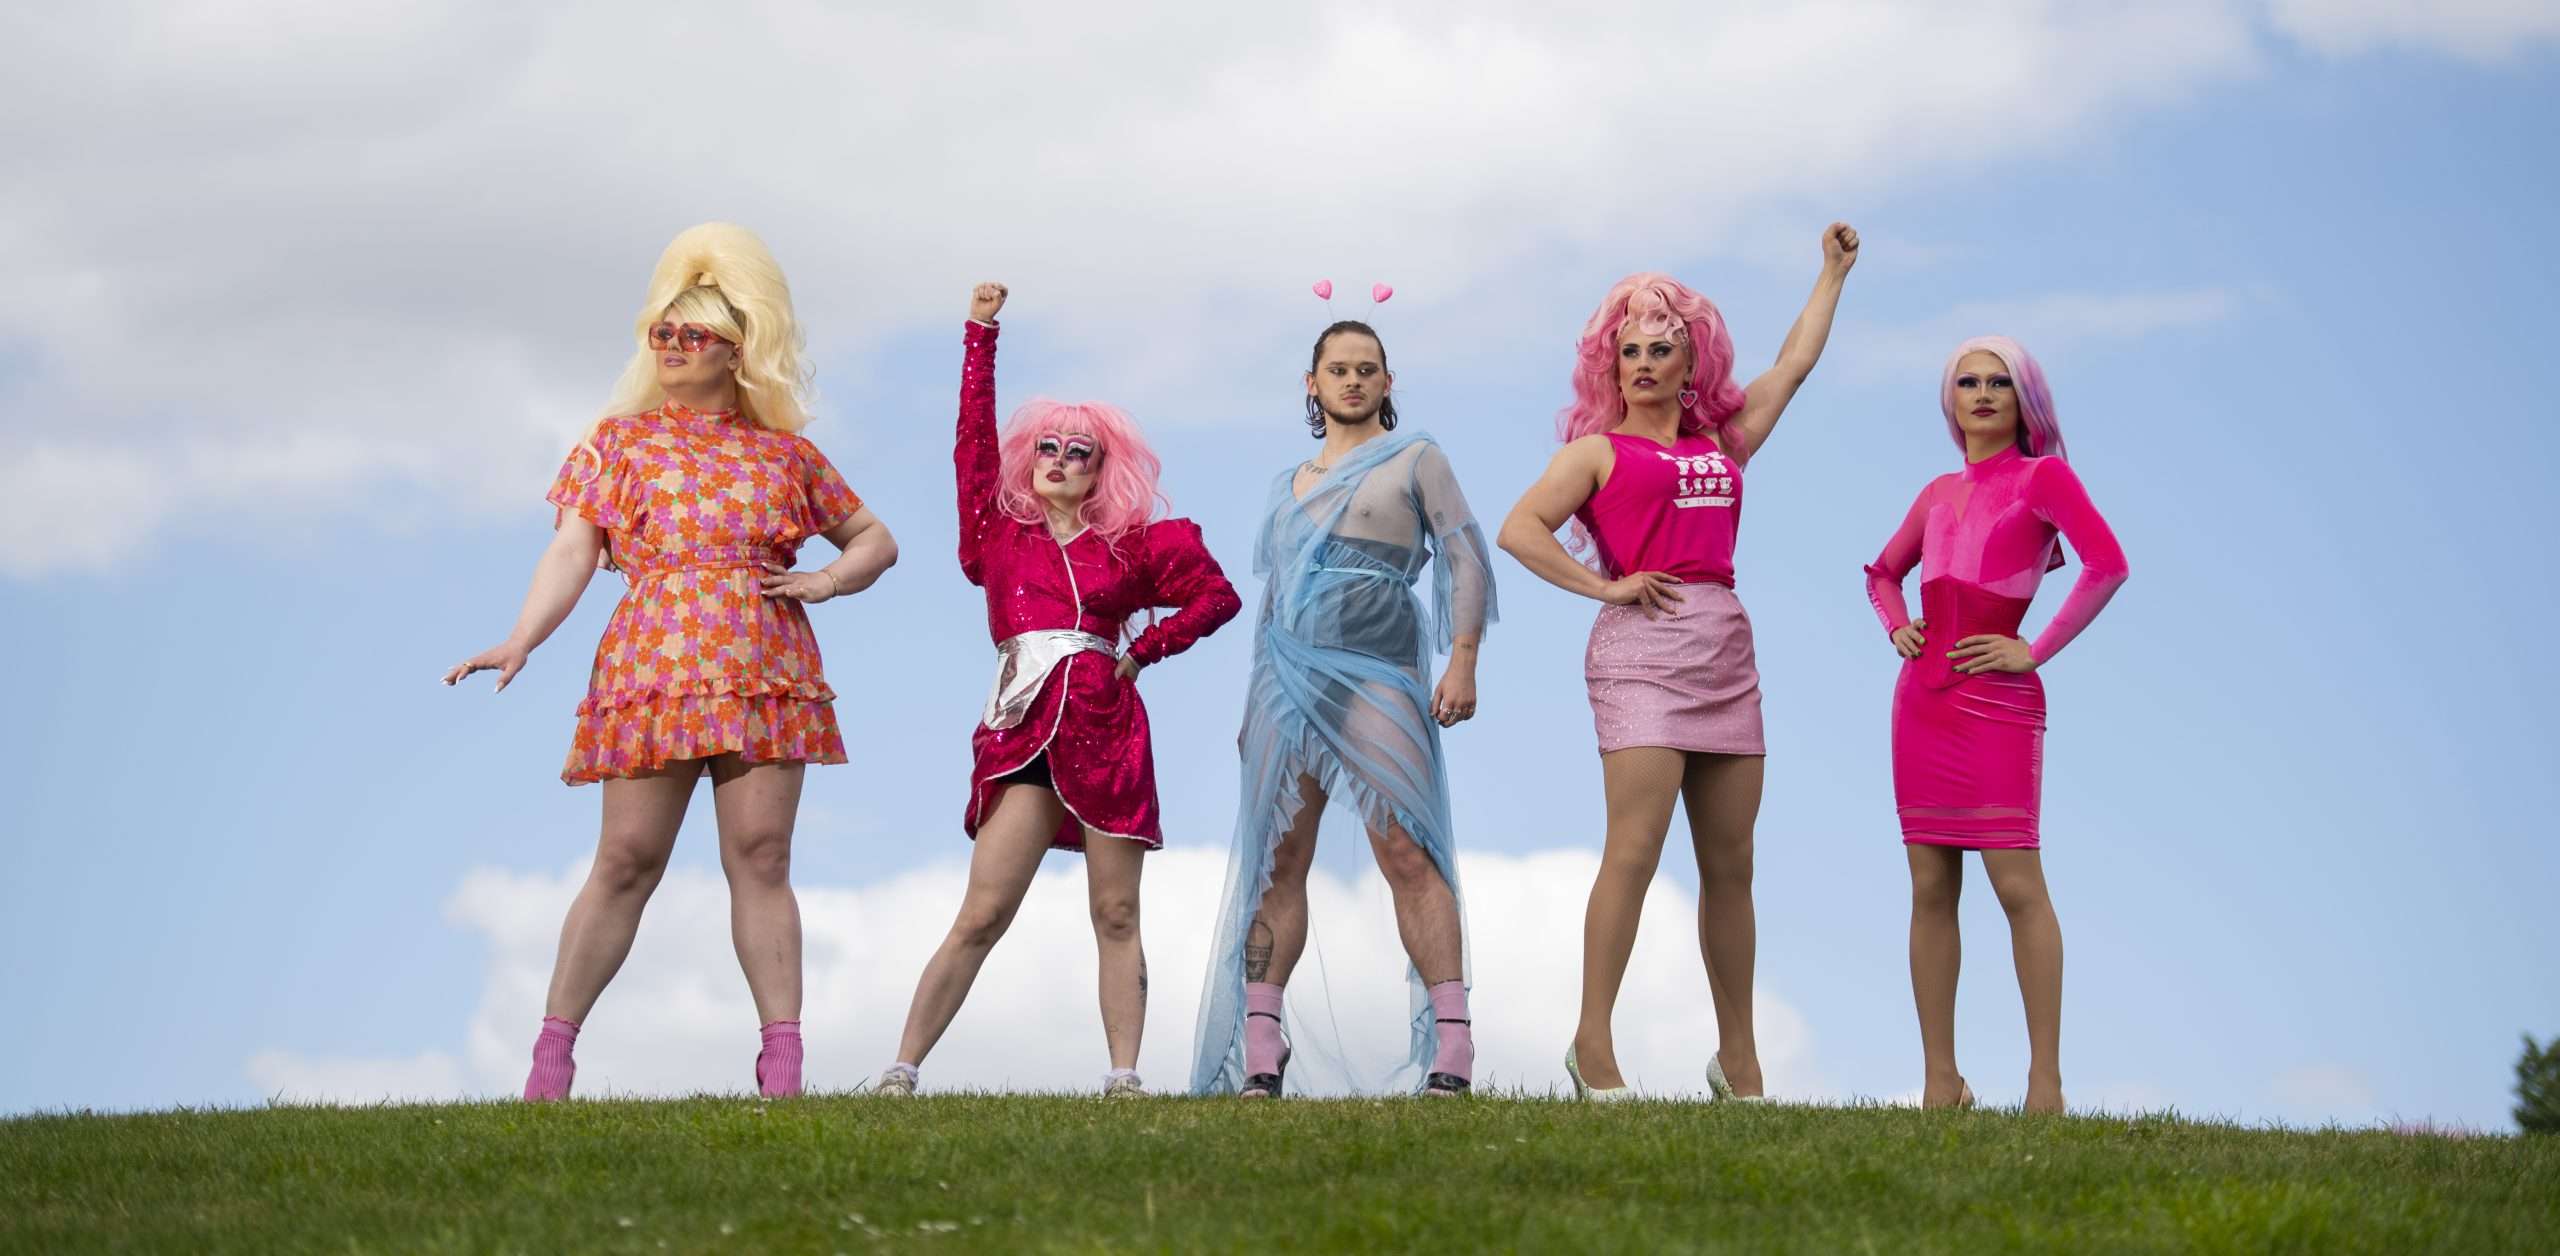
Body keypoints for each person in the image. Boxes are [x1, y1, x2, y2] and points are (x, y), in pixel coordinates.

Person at [444, 222, 899, 1100]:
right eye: (662, 332)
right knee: (626, 859)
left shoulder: (787, 452)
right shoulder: (616, 443)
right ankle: (550, 1063)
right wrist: (521, 638)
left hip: (766, 660)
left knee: (762, 858)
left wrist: (830, 579)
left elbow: (877, 537)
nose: (672, 347)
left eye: (693, 335)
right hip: (653, 660)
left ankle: (783, 1068)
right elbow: (573, 551)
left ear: (737, 352)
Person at [1497, 224, 1859, 1100]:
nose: (1647, 363)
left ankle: (1739, 1060)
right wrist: (1606, 588)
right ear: (1609, 367)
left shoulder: (1722, 444)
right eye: (1631, 352)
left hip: (1725, 646)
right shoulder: (1596, 452)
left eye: (1663, 349)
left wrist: (1832, 273)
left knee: (1732, 863)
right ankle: (1594, 1045)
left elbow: (1794, 365)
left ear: (1692, 361)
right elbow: (1518, 530)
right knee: (1635, 848)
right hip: (1641, 648)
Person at [877, 282, 1240, 1098]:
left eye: (1080, 452)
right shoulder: (996, 535)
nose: (1061, 460)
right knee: (983, 911)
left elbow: (1218, 596)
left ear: (1101, 471)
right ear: (1028, 458)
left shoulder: (1132, 547)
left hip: (1108, 731)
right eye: (1048, 446)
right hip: (1022, 729)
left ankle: (1123, 1076)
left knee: (1115, 913)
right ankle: (901, 1071)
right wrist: (980, 334)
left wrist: (1145, 647)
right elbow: (970, 441)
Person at [1190, 317, 1499, 1098]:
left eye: (1368, 369)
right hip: (1284, 680)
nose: (1353, 380)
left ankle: (1452, 1045)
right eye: (1338, 369)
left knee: (1406, 850)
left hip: (1377, 673)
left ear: (1387, 383)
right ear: (1313, 384)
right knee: (1277, 858)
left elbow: (1465, 559)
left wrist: (1462, 660)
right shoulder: (1285, 483)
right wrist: (1250, 702)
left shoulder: (1417, 457)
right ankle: (1263, 1043)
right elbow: (1274, 597)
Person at [1861, 336, 2128, 1114]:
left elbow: (2106, 564)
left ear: (2024, 400)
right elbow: (1880, 571)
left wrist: (2033, 648)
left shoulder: (2045, 477)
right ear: (1950, 400)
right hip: (1922, 700)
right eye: (1967, 381)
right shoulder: (1936, 489)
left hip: (2000, 701)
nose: (1981, 393)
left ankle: (2045, 1083)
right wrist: (1896, 625)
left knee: (2017, 884)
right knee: (1929, 885)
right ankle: (1941, 1082)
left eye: (1999, 382)